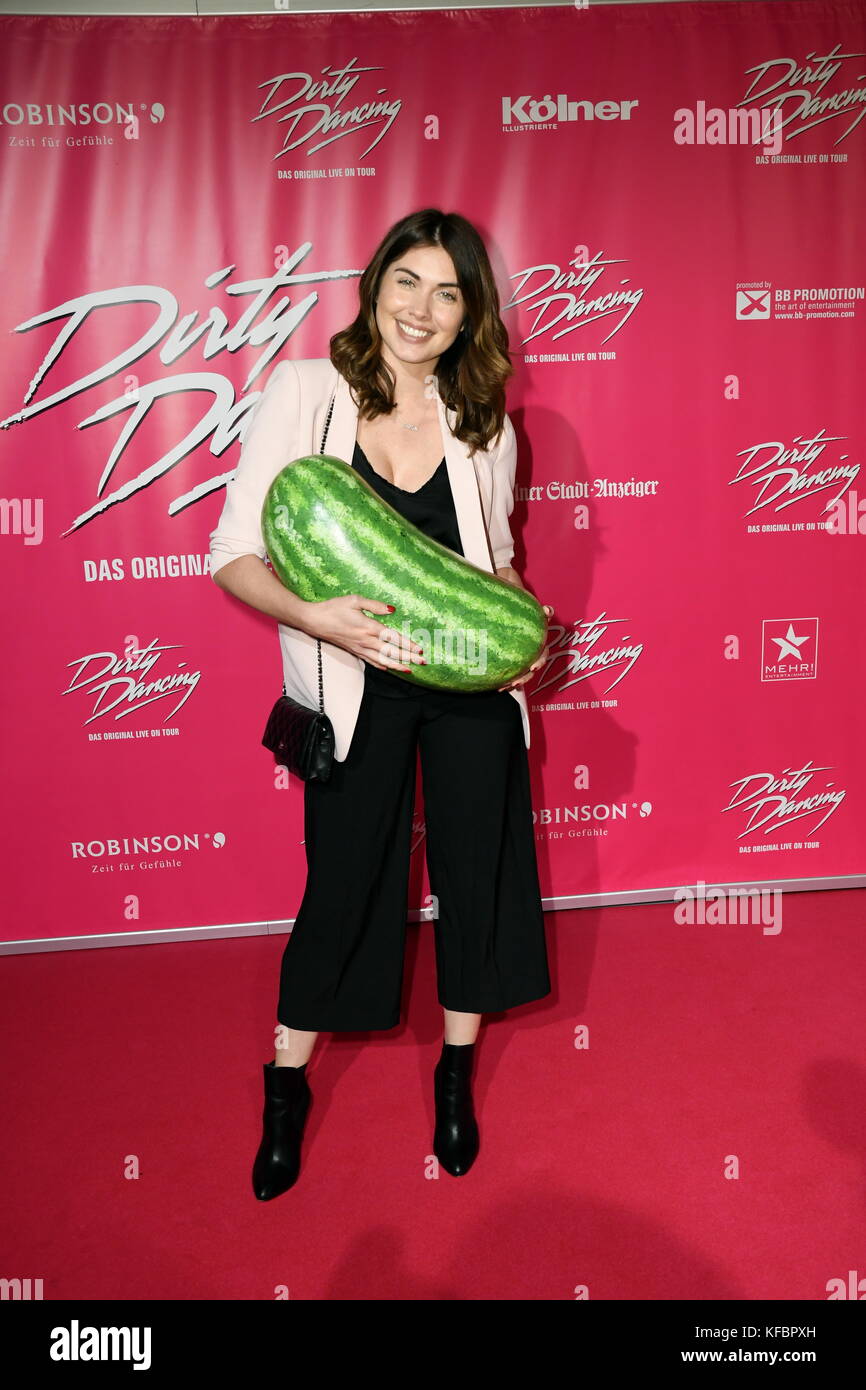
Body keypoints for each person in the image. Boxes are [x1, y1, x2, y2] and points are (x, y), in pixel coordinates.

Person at [209, 208, 553, 1201]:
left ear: (466, 313)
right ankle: (284, 1086)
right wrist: (324, 621)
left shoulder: (480, 413)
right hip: (354, 687)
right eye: (407, 281)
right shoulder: (308, 389)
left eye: (447, 292)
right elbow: (232, 552)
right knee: (344, 883)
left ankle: (453, 1078)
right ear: (374, 285)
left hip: (467, 690)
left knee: (475, 877)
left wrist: (517, 643)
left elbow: (494, 563)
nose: (422, 308)